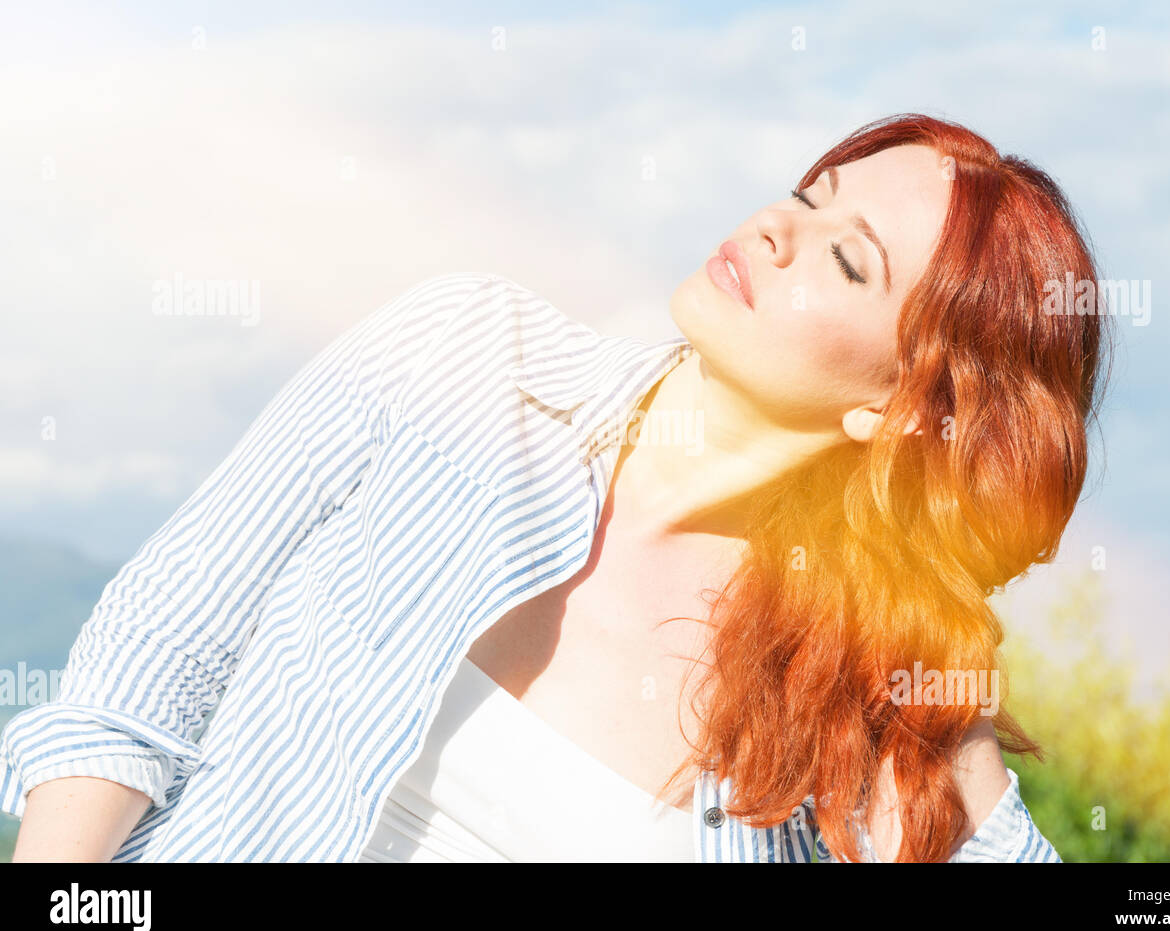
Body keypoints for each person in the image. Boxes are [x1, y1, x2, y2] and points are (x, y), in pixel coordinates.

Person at [4, 113, 1110, 862]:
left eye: (845, 258)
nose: (777, 230)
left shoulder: (841, 691)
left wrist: (945, 730)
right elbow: (143, 678)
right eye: (804, 198)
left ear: (904, 408)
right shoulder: (466, 353)